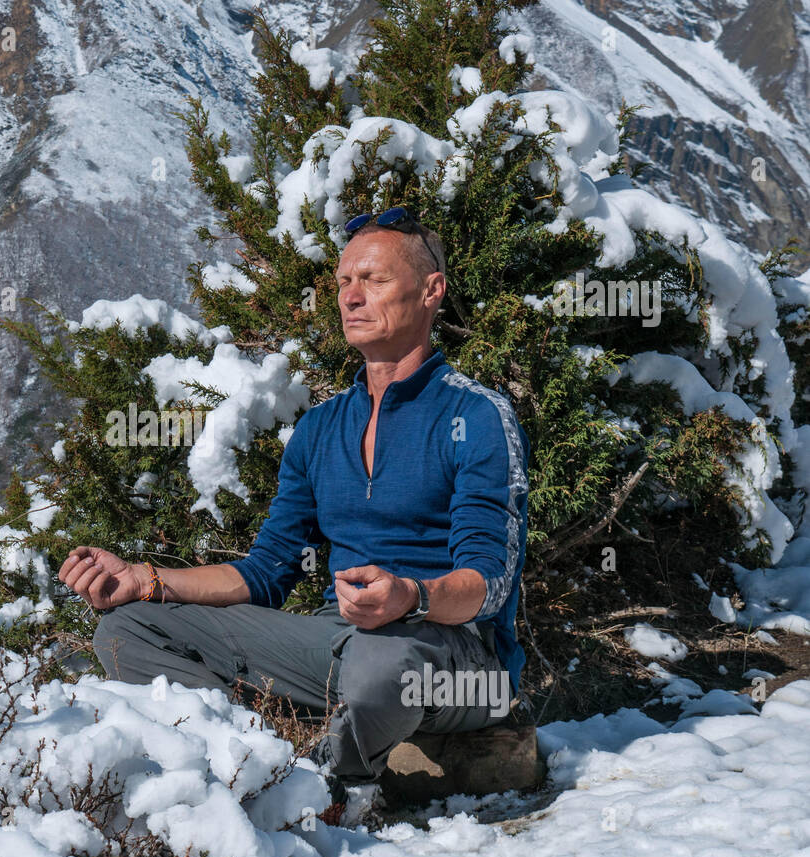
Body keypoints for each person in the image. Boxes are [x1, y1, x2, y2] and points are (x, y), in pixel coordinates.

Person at [57, 208, 530, 817]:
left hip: (461, 661)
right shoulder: (319, 427)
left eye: (375, 280)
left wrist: (409, 597)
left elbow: (490, 586)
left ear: (432, 291)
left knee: (383, 664)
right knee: (128, 629)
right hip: (341, 641)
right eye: (342, 283)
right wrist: (147, 580)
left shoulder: (478, 416)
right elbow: (265, 574)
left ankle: (334, 789)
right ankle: (243, 759)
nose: (351, 297)